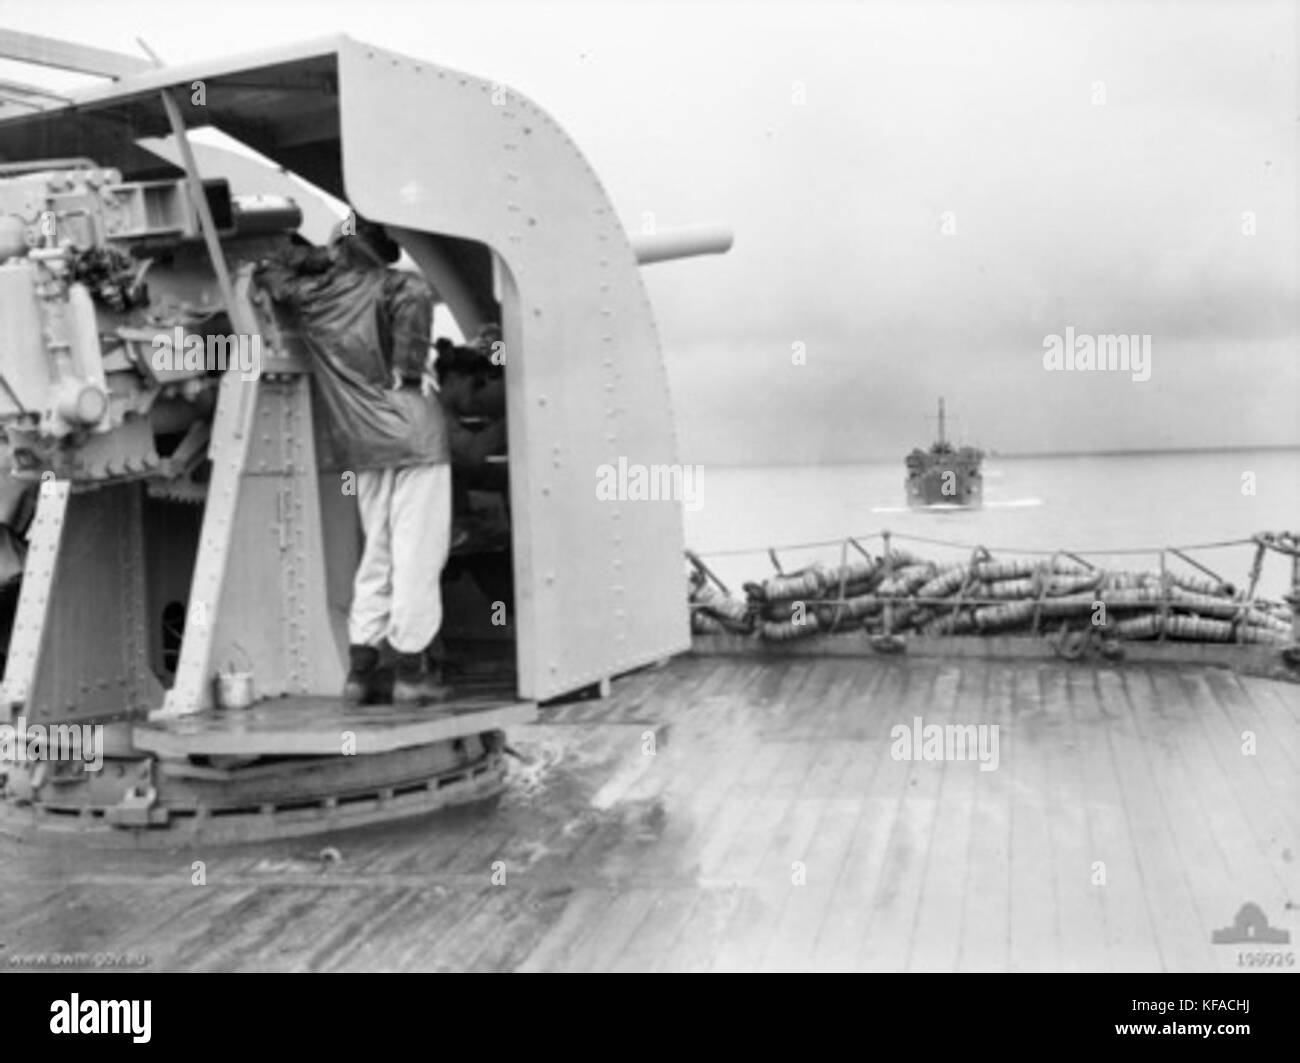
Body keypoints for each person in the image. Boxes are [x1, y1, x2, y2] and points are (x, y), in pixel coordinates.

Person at [257, 216, 450, 706]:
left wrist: (322, 257)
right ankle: (412, 671)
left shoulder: (310, 297)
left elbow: (271, 268)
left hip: (361, 444)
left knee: (376, 552)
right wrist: (409, 370)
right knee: (417, 554)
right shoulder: (398, 287)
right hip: (416, 438)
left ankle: (361, 670)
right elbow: (415, 303)